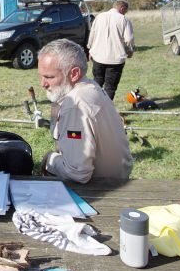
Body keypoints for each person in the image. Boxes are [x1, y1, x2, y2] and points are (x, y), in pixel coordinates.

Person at [38, 38, 134, 183]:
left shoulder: (75, 105)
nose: (43, 84)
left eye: (49, 77)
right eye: (41, 76)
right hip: (120, 178)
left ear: (74, 74)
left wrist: (48, 160)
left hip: (102, 188)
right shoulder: (92, 87)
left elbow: (78, 173)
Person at [86, 0, 134, 100]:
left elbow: (92, 34)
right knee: (110, 87)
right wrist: (129, 50)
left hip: (98, 57)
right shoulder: (124, 19)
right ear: (122, 8)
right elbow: (129, 39)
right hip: (115, 59)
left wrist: (90, 49)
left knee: (97, 82)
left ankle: (93, 105)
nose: (125, 12)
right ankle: (106, 110)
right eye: (126, 10)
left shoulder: (99, 17)